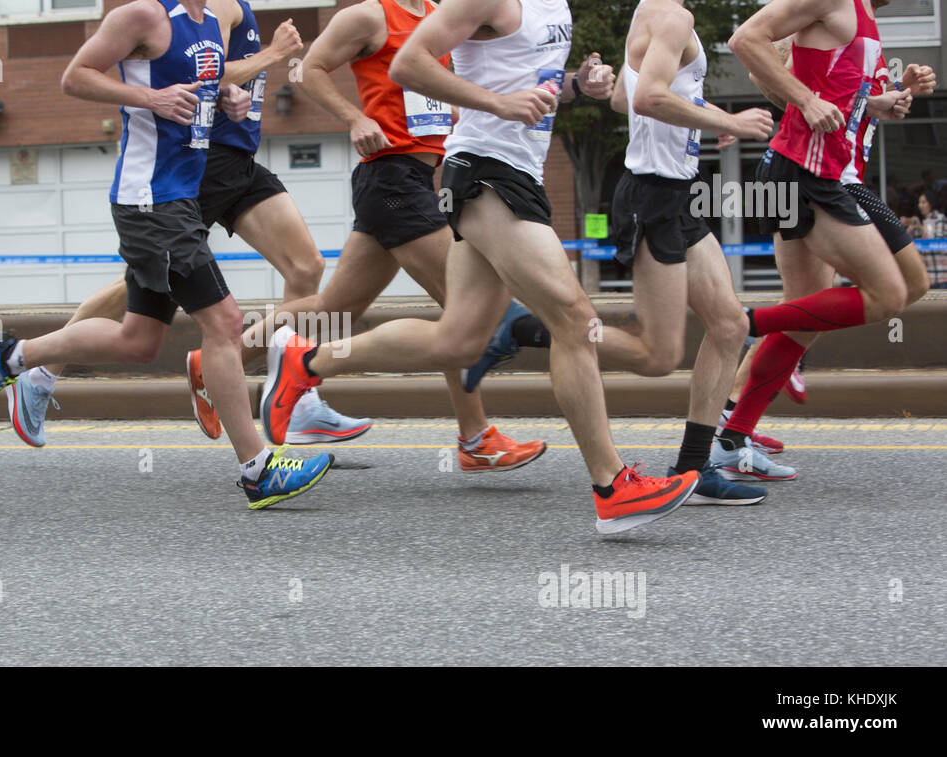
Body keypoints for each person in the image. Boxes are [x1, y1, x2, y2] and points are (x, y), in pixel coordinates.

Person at [261, 0, 701, 533]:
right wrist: (496, 104)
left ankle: (307, 363)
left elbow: (519, 77)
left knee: (459, 341)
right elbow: (409, 64)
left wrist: (576, 87)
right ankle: (613, 486)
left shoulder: (551, 5)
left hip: (516, 172)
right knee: (572, 318)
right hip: (486, 173)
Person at [0, 0, 334, 509]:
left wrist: (225, 97)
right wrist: (150, 98)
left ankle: (13, 356)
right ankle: (258, 469)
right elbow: (75, 78)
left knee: (137, 339)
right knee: (225, 325)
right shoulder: (145, 15)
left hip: (179, 194)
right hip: (151, 199)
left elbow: (203, 83)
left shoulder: (213, 21)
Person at [245, 0, 548, 473]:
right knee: (463, 311)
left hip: (418, 178)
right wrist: (354, 118)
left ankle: (217, 358)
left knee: (333, 311)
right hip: (390, 177)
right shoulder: (369, 16)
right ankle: (475, 439)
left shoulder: (439, 13)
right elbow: (308, 69)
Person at [716, 12, 935, 471]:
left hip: (824, 172)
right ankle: (742, 323)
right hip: (808, 171)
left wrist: (882, 102)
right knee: (892, 291)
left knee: (806, 319)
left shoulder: (865, 16)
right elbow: (747, 44)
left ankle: (730, 437)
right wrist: (806, 100)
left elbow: (845, 96)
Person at [585, 0, 773, 502]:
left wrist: (713, 117)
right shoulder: (673, 18)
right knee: (658, 355)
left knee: (730, 325)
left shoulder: (651, 14)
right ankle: (524, 329)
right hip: (652, 196)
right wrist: (726, 117)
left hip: (675, 196)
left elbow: (625, 101)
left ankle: (694, 470)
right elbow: (648, 98)